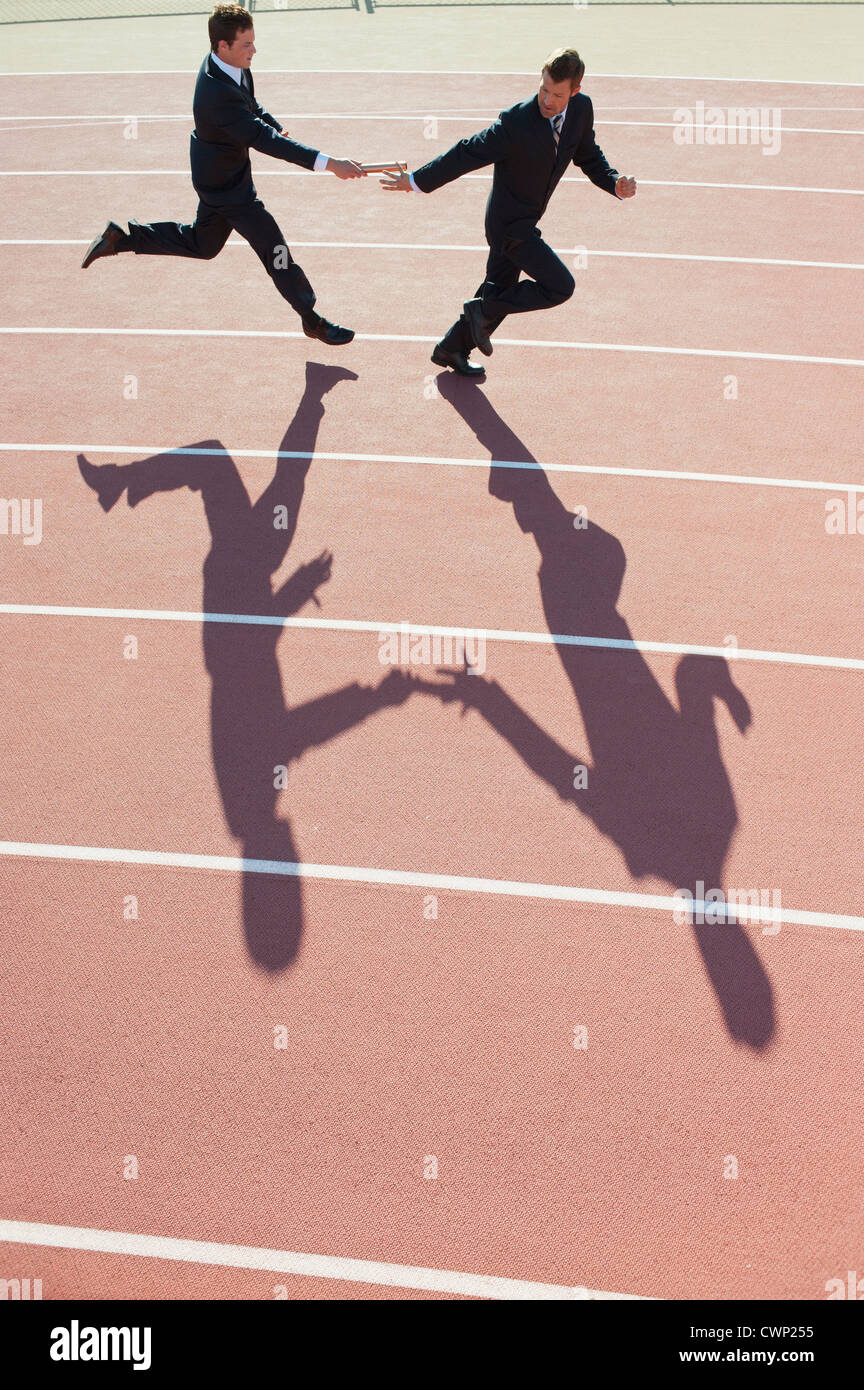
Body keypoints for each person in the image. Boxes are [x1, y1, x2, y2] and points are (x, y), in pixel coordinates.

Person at [81, 3, 365, 346]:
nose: (254, 51)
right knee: (275, 249)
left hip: (220, 175)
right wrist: (329, 163)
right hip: (226, 186)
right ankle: (312, 319)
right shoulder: (216, 92)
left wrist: (277, 125)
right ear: (222, 46)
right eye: (247, 45)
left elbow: (253, 109)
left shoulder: (233, 65)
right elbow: (261, 139)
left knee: (203, 245)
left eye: (253, 42)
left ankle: (122, 239)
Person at [381, 47, 637, 377]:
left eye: (557, 94)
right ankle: (481, 310)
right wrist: (417, 180)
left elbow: (587, 154)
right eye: (544, 89)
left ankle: (451, 348)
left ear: (576, 90)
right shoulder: (517, 122)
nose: (547, 100)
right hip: (507, 227)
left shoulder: (581, 110)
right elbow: (467, 152)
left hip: (527, 219)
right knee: (559, 286)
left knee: (499, 291)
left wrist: (613, 182)